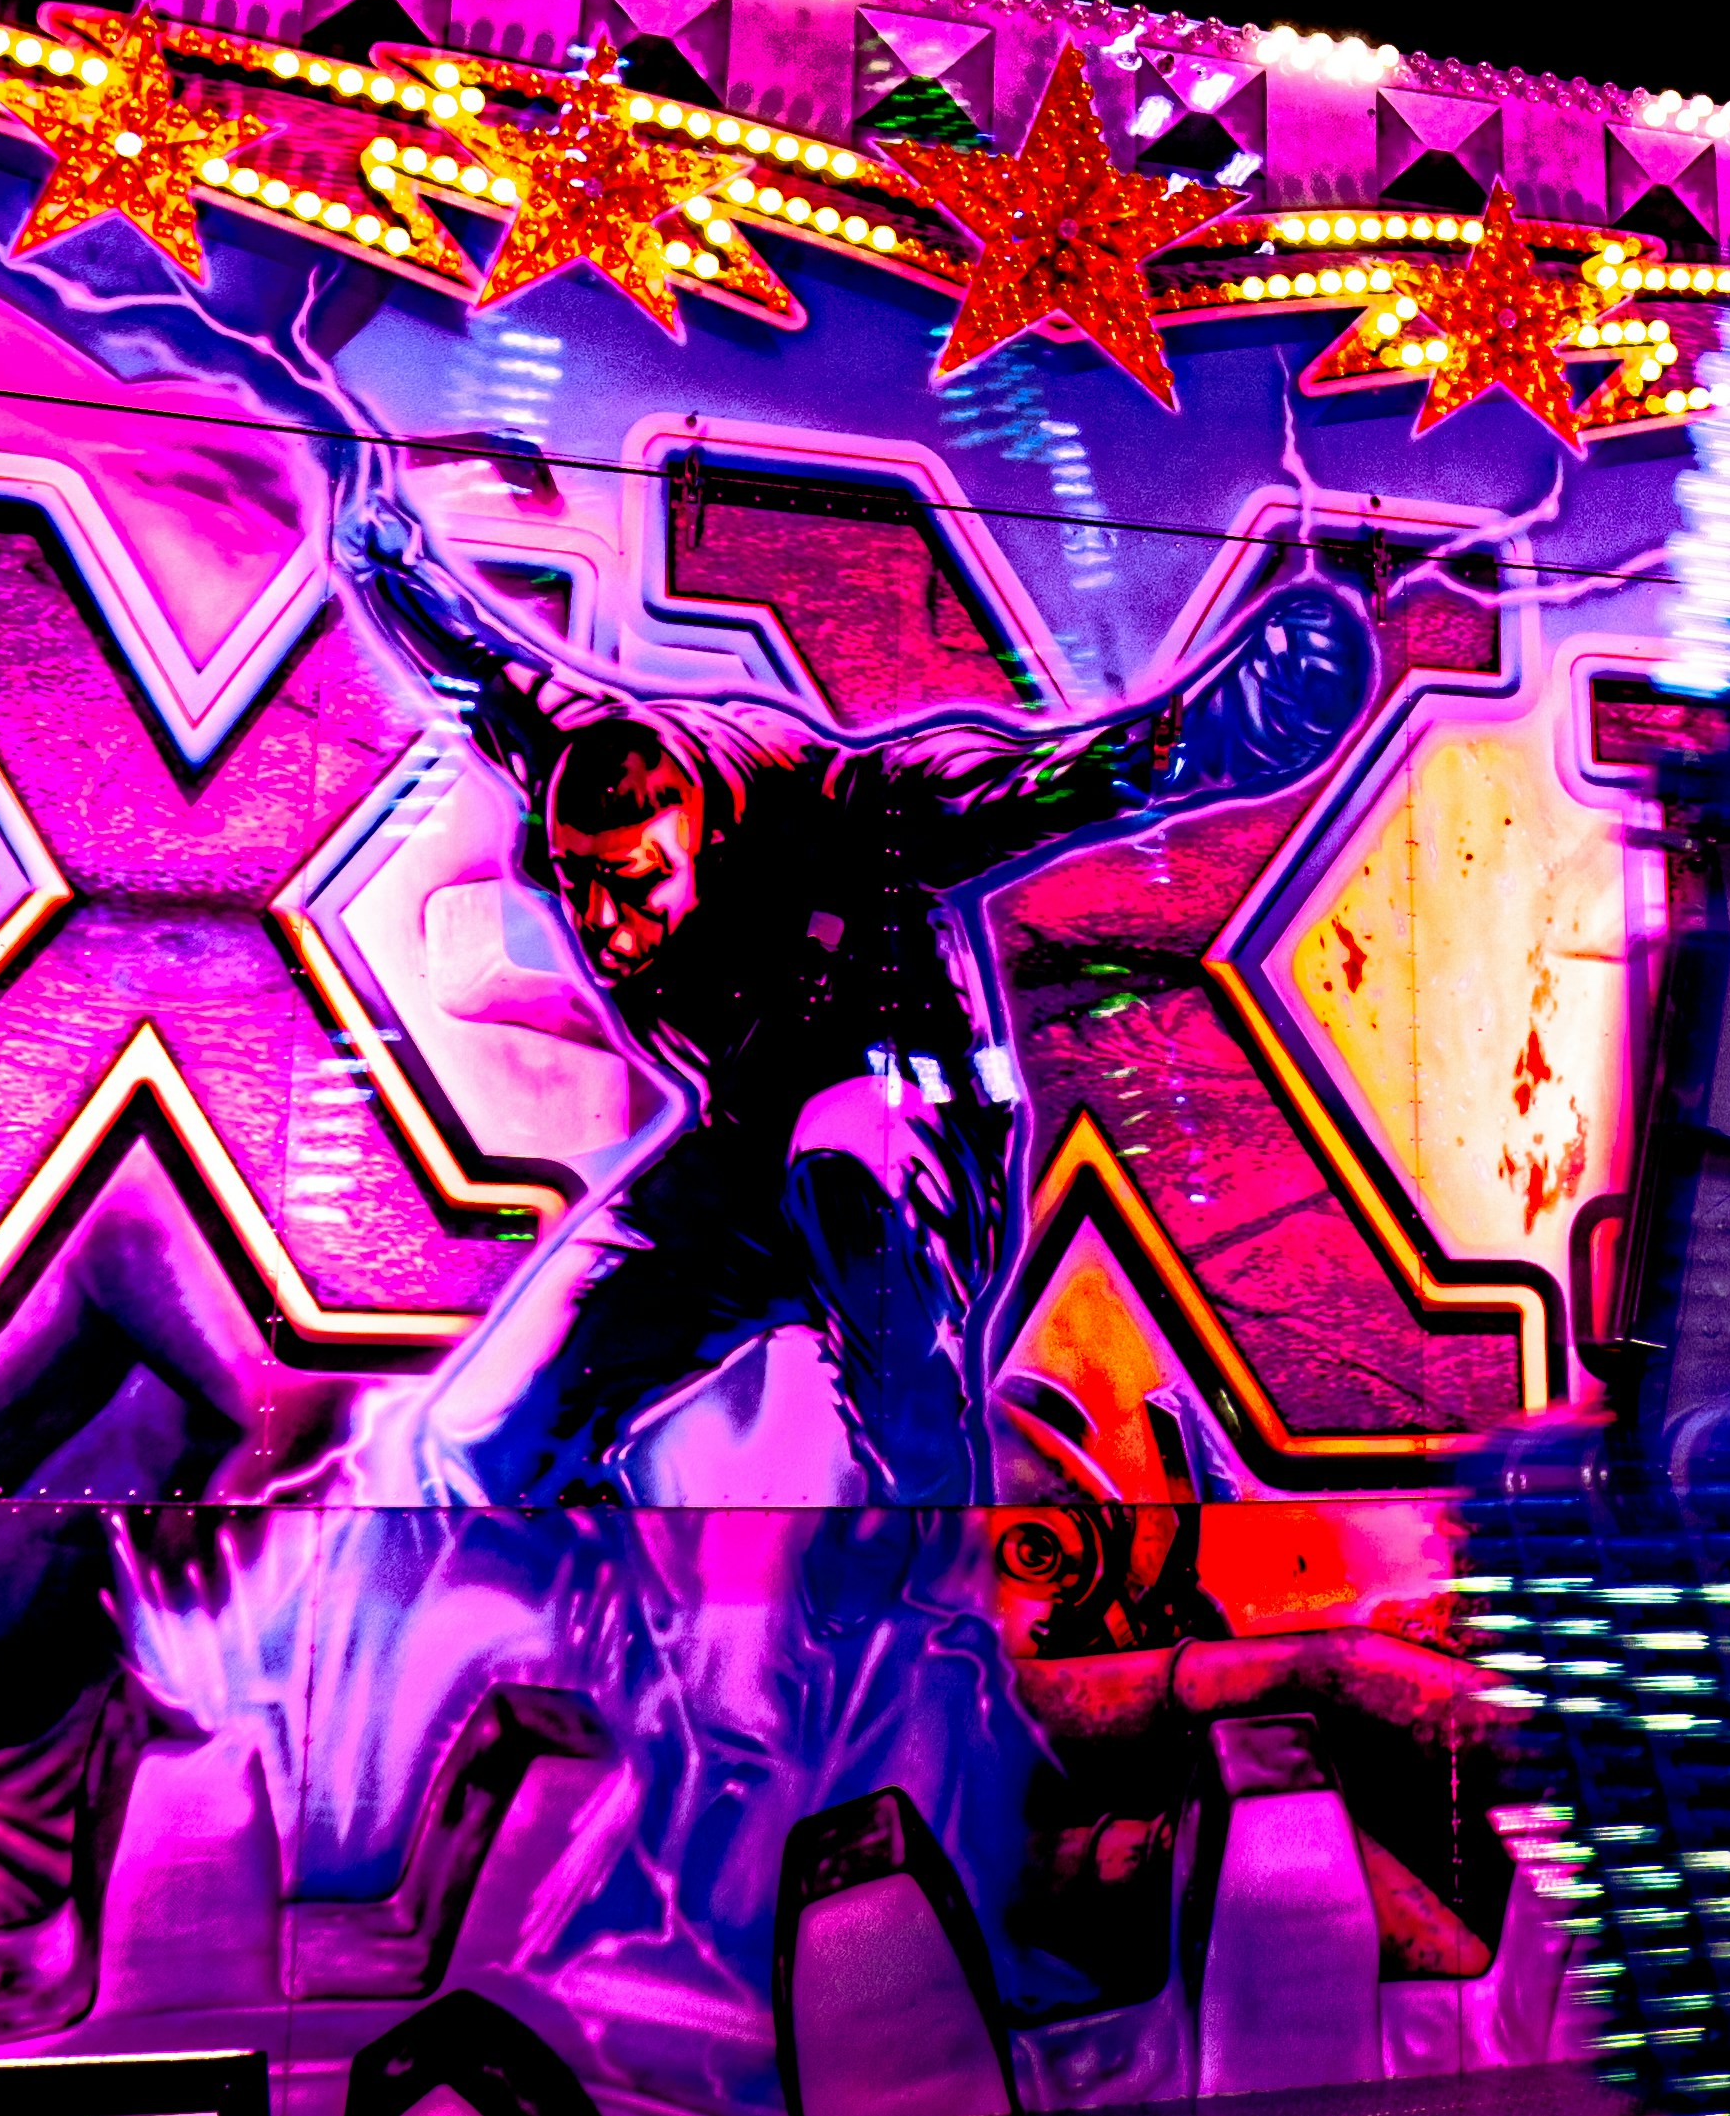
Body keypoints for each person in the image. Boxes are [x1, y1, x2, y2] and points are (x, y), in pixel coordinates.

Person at [338, 475, 1375, 1510]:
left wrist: (1207, 737)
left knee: (840, 1165)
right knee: (487, 1442)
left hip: (907, 1128)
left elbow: (1028, 783)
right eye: (580, 886)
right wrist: (384, 562)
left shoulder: (850, 809)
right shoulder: (562, 747)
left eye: (641, 887)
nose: (607, 931)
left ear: (710, 834)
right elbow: (473, 659)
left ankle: (922, 1512)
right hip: (741, 1154)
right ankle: (598, 1594)